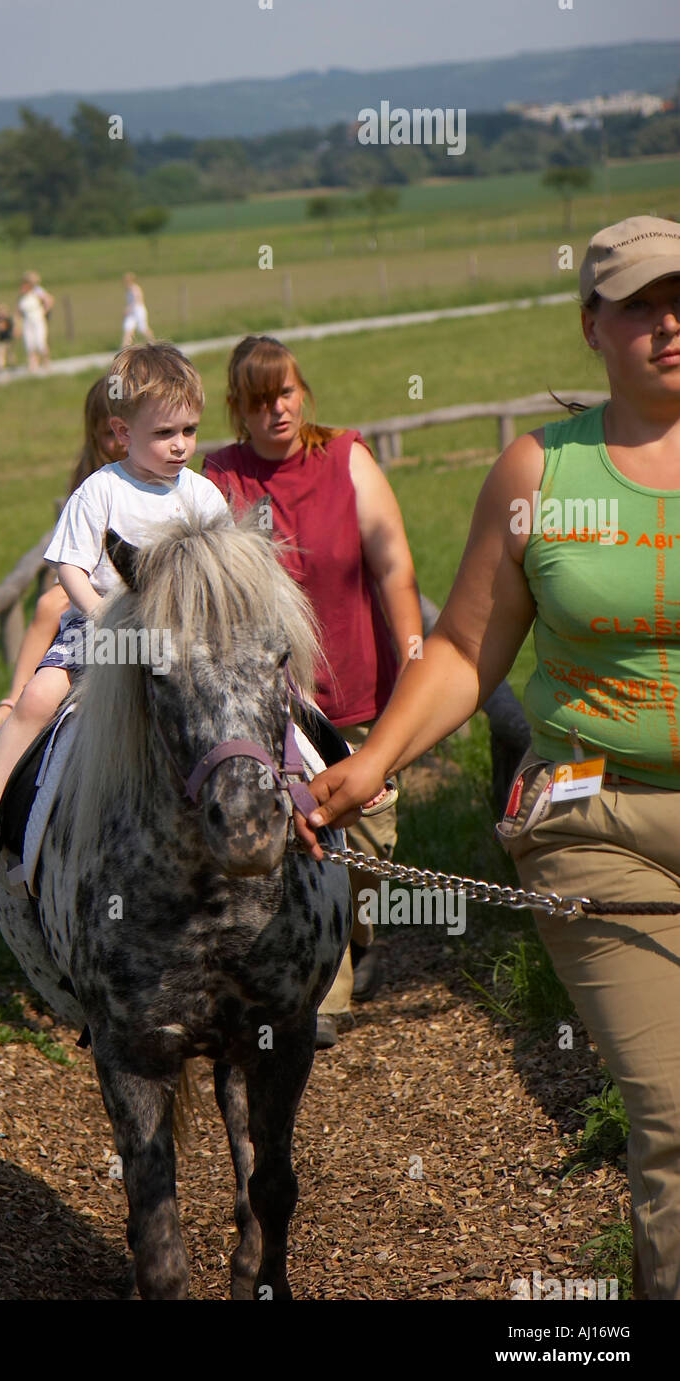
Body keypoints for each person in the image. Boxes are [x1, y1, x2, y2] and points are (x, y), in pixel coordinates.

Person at [298, 216, 680, 1298]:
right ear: (590, 326)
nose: (670, 321)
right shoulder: (538, 472)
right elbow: (465, 648)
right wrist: (371, 764)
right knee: (675, 1123)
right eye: (642, 304)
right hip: (598, 829)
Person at [203, 335, 422, 1047]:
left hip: (358, 694)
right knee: (299, 841)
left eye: (287, 393)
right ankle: (323, 986)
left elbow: (393, 566)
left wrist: (415, 656)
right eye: (260, 401)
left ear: (305, 393)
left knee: (369, 843)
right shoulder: (221, 479)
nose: (278, 411)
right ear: (239, 410)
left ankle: (353, 938)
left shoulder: (348, 460)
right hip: (275, 707)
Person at [0, 342, 231, 883]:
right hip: (104, 630)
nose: (180, 446)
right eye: (164, 434)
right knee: (36, 698)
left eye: (190, 431)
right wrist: (103, 613)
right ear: (123, 432)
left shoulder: (202, 495)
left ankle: (308, 770)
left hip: (186, 633)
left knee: (257, 685)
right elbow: (71, 570)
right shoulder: (99, 491)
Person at [0, 377, 125, 736]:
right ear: (94, 435)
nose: (118, 443)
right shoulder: (90, 479)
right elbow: (76, 546)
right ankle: (14, 700)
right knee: (47, 606)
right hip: (91, 575)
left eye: (124, 431)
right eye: (108, 434)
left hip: (130, 578)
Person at [16, 273, 52, 372]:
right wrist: (18, 325)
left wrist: (43, 312)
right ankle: (33, 364)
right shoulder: (21, 297)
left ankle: (46, 362)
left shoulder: (37, 291)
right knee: (29, 344)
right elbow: (18, 312)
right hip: (27, 322)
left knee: (40, 342)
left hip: (37, 320)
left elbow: (49, 300)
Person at [121, 272, 154, 347]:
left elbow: (138, 300)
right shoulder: (128, 289)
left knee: (143, 328)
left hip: (138, 311)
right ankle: (124, 348)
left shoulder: (135, 288)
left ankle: (153, 343)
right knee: (128, 328)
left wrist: (128, 308)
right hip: (131, 312)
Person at [0, 303, 15, 372]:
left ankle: (12, 365)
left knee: (9, 353)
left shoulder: (8, 319)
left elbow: (11, 328)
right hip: (0, 339)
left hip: (8, 339)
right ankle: (0, 366)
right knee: (0, 352)